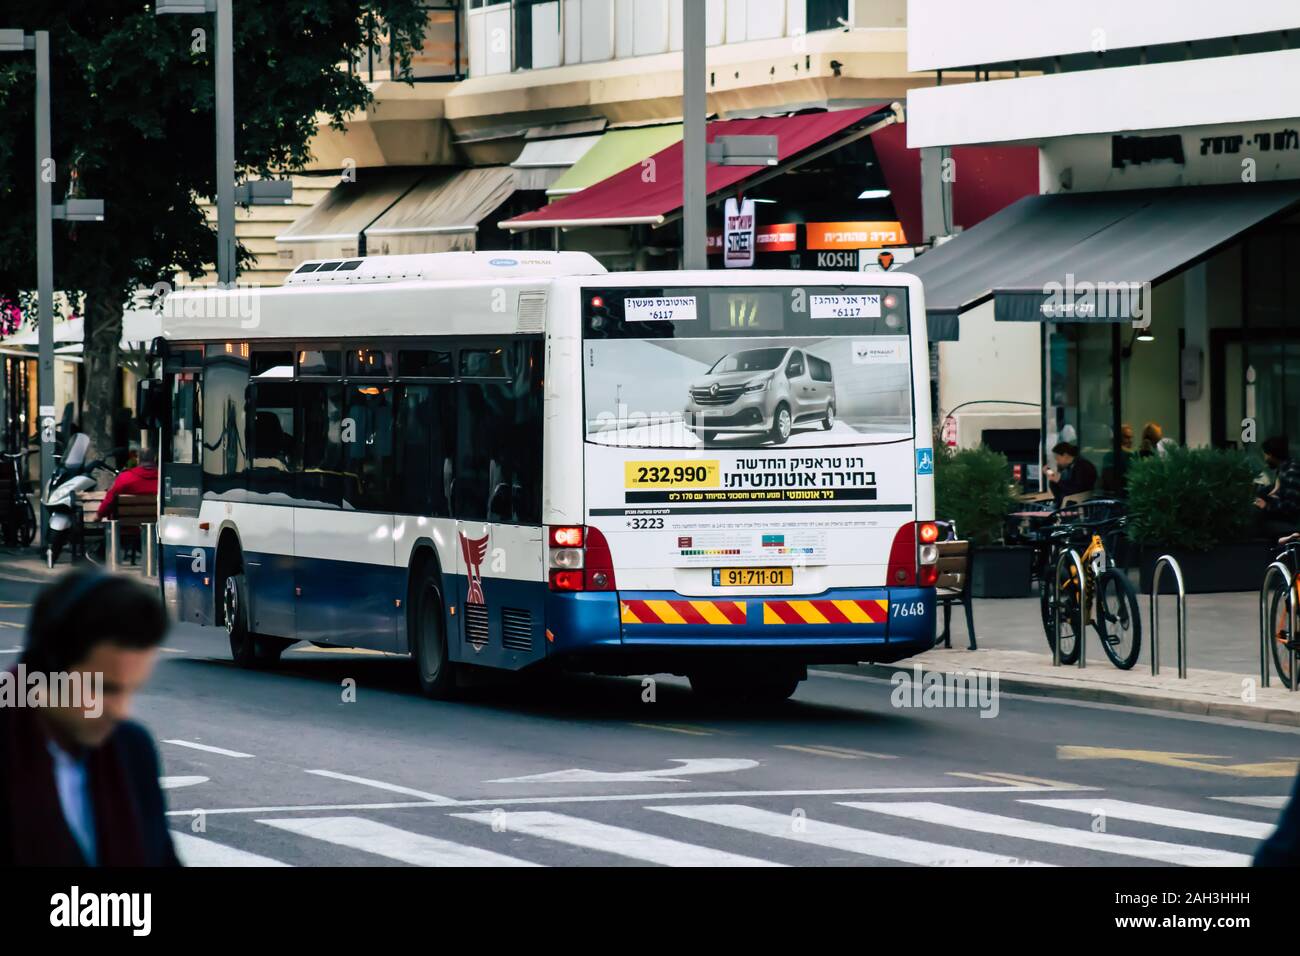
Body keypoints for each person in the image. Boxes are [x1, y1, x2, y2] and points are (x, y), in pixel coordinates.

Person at [0, 569, 179, 866]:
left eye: (131, 691)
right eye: (102, 689)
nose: (120, 711)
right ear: (46, 672)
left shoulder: (132, 749)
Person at [95, 445, 158, 521]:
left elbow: (109, 500)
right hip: (158, 528)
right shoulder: (164, 479)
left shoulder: (125, 478)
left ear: (138, 459)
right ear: (155, 459)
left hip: (125, 529)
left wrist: (99, 516)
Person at [1256, 435, 1300, 538]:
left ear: (1271, 455)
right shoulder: (1284, 470)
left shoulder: (1291, 472)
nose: (1265, 459)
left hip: (1294, 524)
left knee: (1258, 524)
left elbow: (1291, 506)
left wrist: (1266, 506)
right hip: (1288, 520)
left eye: (1265, 455)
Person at [1043, 441, 1097, 506]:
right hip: (1068, 496)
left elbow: (1076, 489)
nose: (1057, 462)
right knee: (1053, 483)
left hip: (1078, 498)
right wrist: (1053, 475)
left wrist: (1058, 480)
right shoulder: (1070, 465)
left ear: (1065, 455)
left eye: (1058, 458)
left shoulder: (1082, 466)